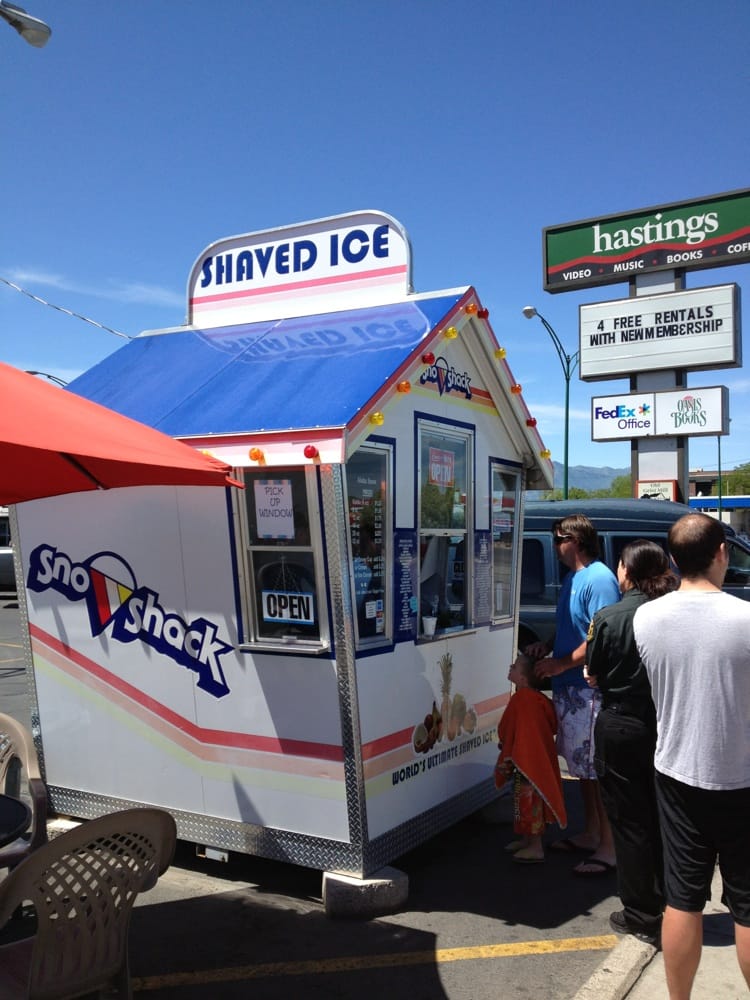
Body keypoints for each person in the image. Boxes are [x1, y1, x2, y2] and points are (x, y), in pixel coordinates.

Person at [633, 513, 750, 999]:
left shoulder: (646, 617)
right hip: (743, 775)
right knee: (747, 906)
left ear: (675, 560)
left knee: (682, 900)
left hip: (678, 772)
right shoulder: (746, 619)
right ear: (722, 552)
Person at [585, 539, 678, 946]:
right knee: (669, 816)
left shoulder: (611, 616)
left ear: (627, 571)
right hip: (670, 721)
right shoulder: (675, 612)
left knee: (630, 821)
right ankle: (677, 900)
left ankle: (641, 912)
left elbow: (594, 672)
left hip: (622, 723)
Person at [526, 514, 620, 876]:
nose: (554, 544)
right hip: (571, 688)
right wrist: (546, 647)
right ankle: (593, 833)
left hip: (588, 690)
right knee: (582, 770)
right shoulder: (572, 579)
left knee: (599, 771)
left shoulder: (598, 579)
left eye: (559, 537)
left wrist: (561, 664)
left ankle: (609, 848)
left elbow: (601, 637)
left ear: (576, 540)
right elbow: (575, 627)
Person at [495, 652, 567, 863]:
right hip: (533, 759)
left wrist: (505, 741)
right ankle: (527, 839)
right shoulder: (538, 700)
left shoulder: (522, 699)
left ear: (523, 679)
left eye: (515, 667)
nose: (511, 667)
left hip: (526, 759)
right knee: (524, 800)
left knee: (529, 802)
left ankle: (535, 846)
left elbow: (507, 727)